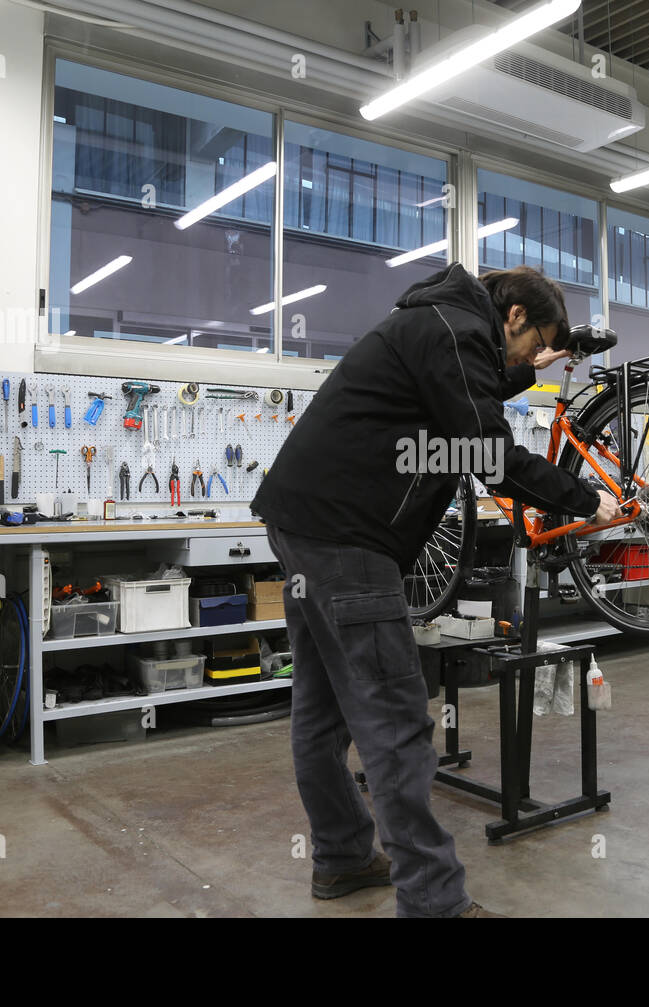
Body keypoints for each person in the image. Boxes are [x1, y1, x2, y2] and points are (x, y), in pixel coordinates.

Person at [251, 262, 619, 918]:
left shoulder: (438, 322)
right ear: (512, 316)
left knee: (322, 710)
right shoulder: (453, 330)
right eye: (533, 343)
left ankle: (342, 857)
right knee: (395, 719)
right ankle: (434, 900)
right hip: (346, 537)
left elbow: (469, 387)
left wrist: (532, 367)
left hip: (303, 522)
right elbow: (488, 452)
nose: (533, 356)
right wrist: (580, 496)